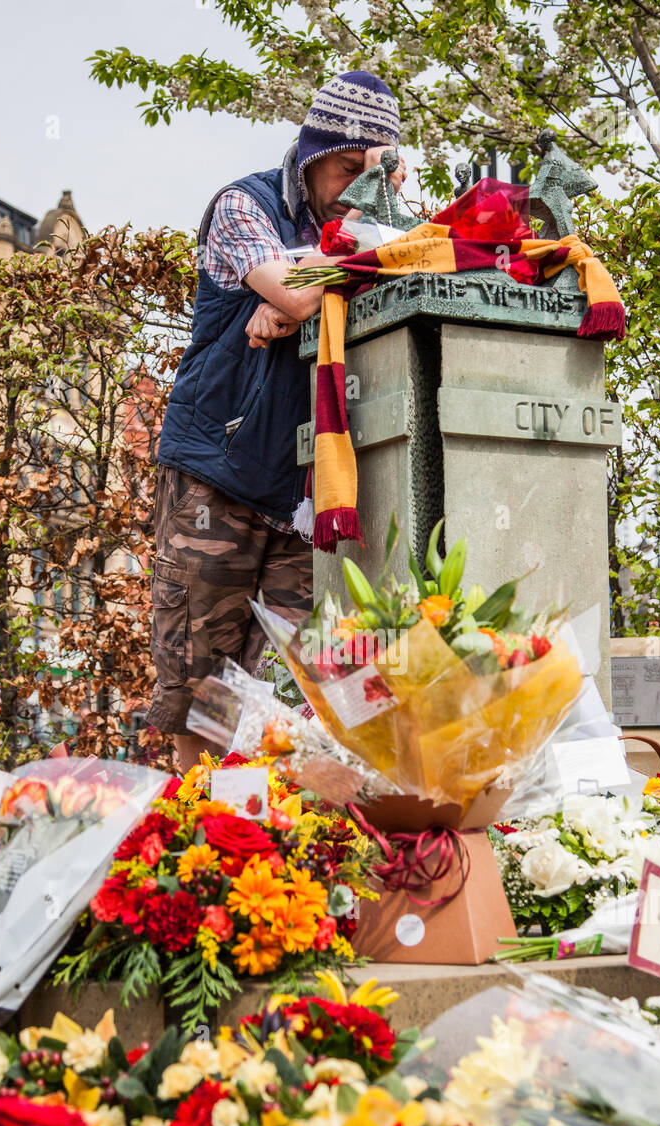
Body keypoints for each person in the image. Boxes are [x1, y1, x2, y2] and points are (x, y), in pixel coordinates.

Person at [146, 70, 406, 772]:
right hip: (218, 479)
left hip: (303, 496)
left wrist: (305, 280)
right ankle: (202, 848)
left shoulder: (357, 221)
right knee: (202, 688)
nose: (357, 189)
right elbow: (293, 297)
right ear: (315, 152)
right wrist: (298, 287)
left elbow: (408, 271)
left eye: (373, 175)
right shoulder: (243, 205)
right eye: (350, 169)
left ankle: (284, 848)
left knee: (305, 687)